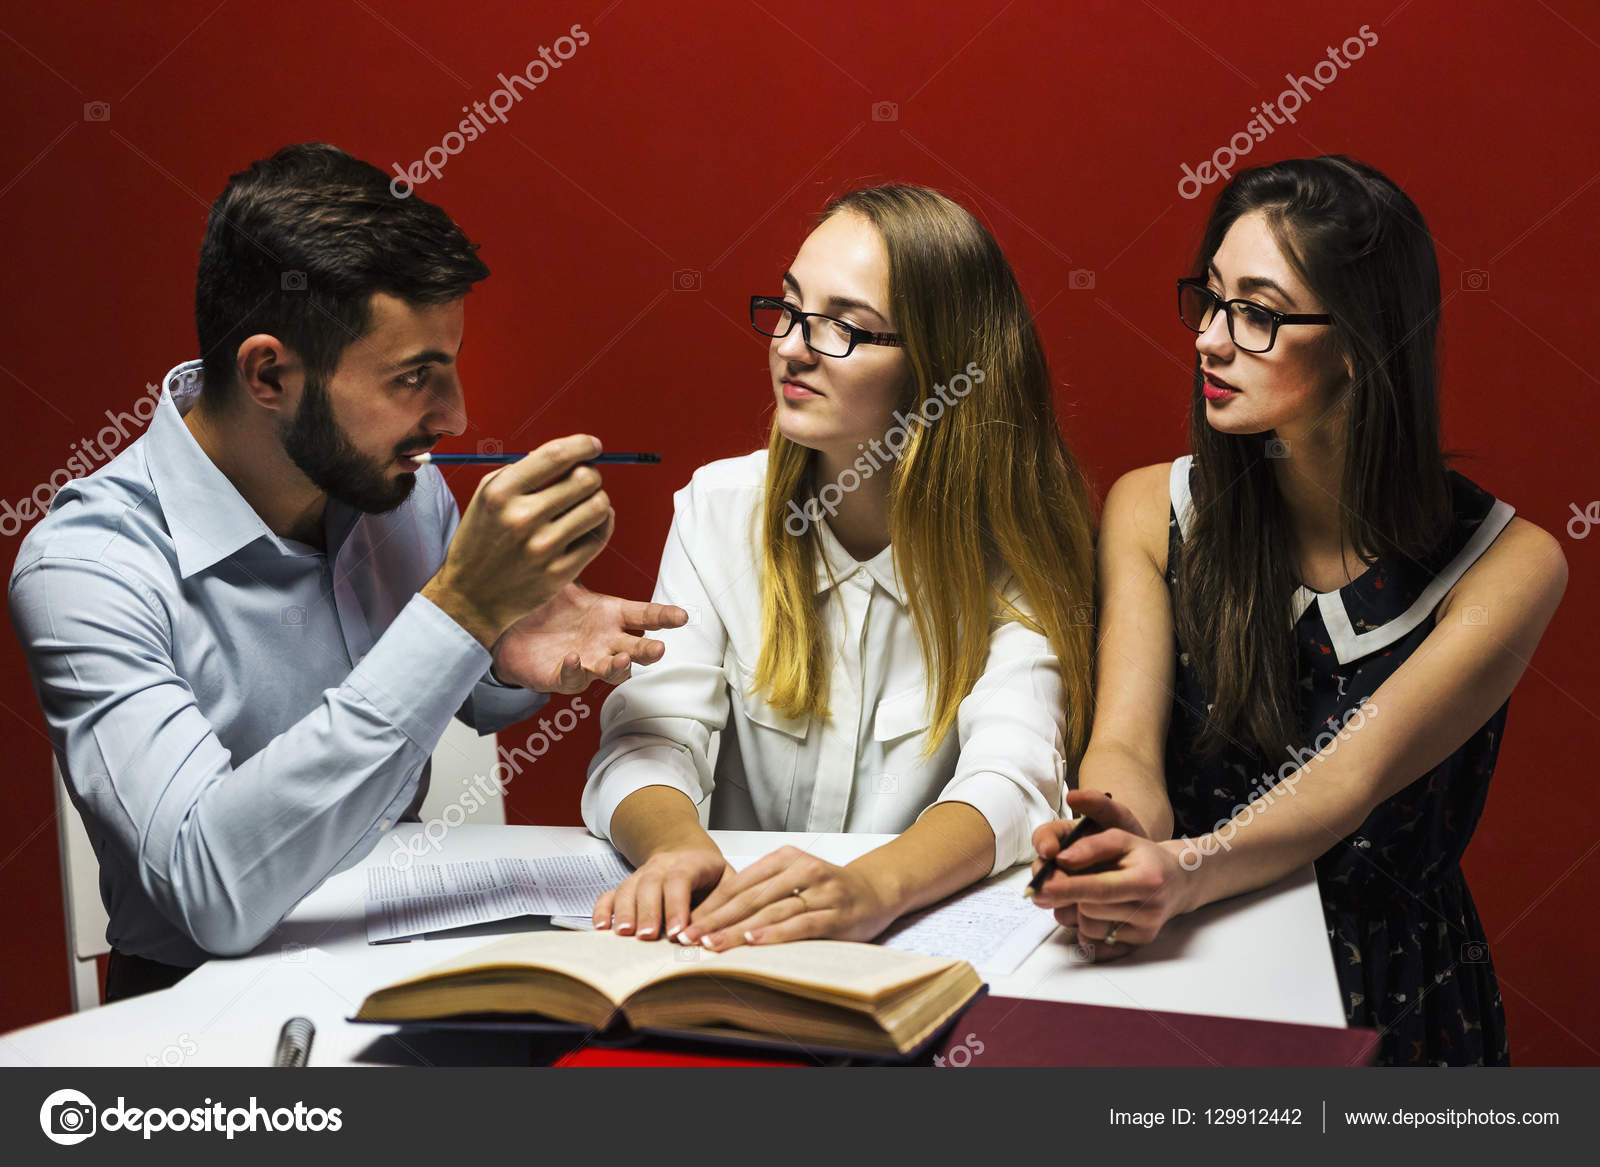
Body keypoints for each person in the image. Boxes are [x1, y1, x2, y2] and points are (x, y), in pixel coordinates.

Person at [9, 143, 685, 1000]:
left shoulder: (399, 491)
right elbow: (211, 887)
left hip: (404, 967)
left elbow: (451, 686)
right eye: (413, 379)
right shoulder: (90, 568)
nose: (455, 416)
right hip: (196, 1015)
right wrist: (460, 611)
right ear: (268, 373)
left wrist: (502, 655)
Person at [1025, 156, 1567, 1065]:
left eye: (1259, 313)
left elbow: (1340, 786)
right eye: (1210, 298)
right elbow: (1124, 739)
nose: (1208, 337)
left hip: (1386, 980)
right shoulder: (1151, 508)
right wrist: (1117, 833)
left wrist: (1182, 872)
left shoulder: (1509, 564)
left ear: (1361, 340)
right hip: (1186, 943)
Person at [584, 184, 1097, 951]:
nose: (791, 345)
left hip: (910, 951)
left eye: (843, 327)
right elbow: (651, 736)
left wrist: (871, 889)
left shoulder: (1017, 550)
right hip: (721, 939)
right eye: (791, 310)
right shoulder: (719, 509)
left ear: (940, 368)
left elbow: (1014, 776)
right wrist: (674, 844)